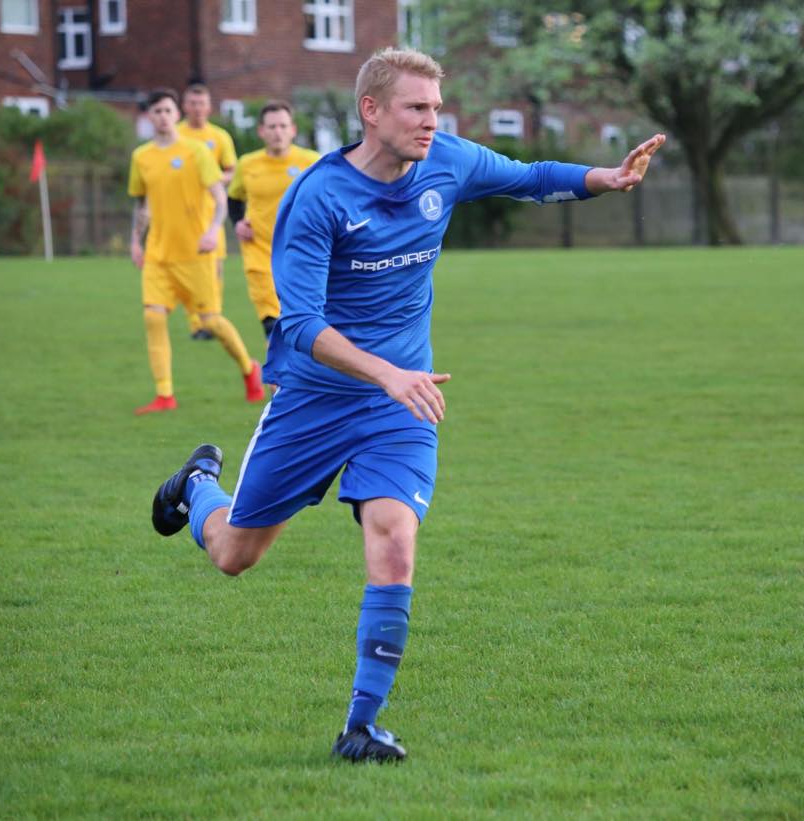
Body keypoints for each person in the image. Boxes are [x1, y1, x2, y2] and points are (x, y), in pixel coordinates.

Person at [151, 48, 665, 761]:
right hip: (317, 399)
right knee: (235, 553)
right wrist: (384, 372)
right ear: (372, 111)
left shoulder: (446, 162)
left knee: (394, 537)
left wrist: (603, 178)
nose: (433, 120)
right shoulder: (319, 197)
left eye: (436, 107)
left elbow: (529, 176)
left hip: (401, 401)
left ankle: (360, 726)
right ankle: (201, 485)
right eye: (417, 108)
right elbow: (299, 324)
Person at [129, 88, 263, 414]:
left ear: (177, 114)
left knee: (211, 321)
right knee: (153, 317)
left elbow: (220, 197)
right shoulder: (141, 157)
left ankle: (249, 370)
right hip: (159, 255)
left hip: (197, 254)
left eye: (167, 110)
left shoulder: (196, 151)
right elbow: (141, 203)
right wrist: (135, 240)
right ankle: (164, 394)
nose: (162, 116)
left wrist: (213, 230)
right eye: (156, 111)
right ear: (149, 117)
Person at [228, 101, 319, 339]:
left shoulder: (311, 162)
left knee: (304, 326)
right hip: (260, 255)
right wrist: (237, 221)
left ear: (293, 130)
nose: (277, 132)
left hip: (302, 255)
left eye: (282, 126)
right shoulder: (247, 164)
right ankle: (276, 377)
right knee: (274, 327)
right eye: (271, 127)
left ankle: (301, 375)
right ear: (261, 131)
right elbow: (234, 197)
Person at [177, 84, 238, 341]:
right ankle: (195, 324)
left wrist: (212, 179)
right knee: (186, 270)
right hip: (182, 215)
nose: (197, 108)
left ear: (209, 107)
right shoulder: (177, 133)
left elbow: (232, 171)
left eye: (202, 103)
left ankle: (213, 319)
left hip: (211, 215)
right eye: (192, 103)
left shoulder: (220, 136)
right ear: (184, 106)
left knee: (215, 268)